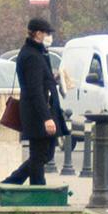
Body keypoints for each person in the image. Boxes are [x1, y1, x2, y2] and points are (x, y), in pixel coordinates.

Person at [12, 15, 64, 184]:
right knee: (40, 155)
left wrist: (53, 78)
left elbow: (40, 81)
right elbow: (35, 90)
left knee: (41, 155)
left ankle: (30, 186)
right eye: (47, 33)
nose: (49, 36)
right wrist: (46, 118)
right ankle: (12, 183)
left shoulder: (37, 53)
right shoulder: (32, 56)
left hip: (38, 111)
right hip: (37, 113)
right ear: (37, 33)